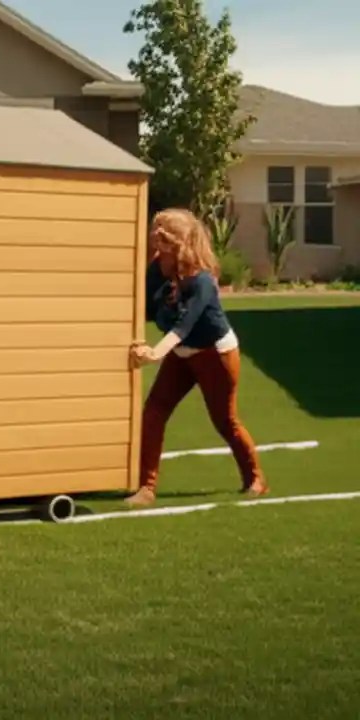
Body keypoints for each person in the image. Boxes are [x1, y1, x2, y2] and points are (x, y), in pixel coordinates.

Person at [127, 208, 268, 507]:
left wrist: (154, 353)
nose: (155, 249)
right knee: (154, 413)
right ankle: (146, 487)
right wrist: (150, 254)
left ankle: (256, 479)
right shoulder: (159, 270)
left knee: (224, 420)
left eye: (160, 242)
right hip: (181, 353)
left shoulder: (202, 281)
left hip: (214, 354)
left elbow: (184, 325)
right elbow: (142, 301)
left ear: (177, 246)